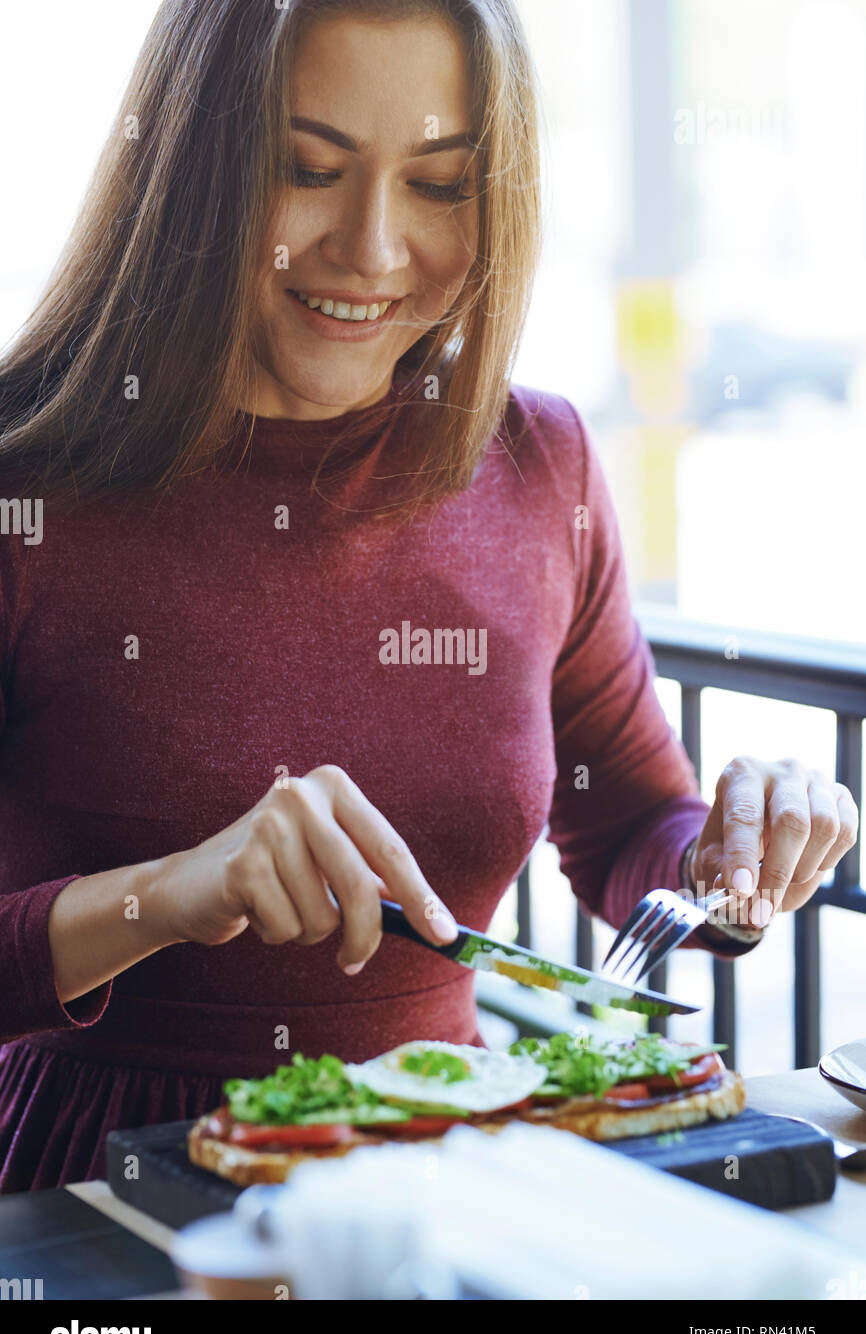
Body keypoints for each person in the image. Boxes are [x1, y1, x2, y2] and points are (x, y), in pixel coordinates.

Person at [0, 0, 857, 1191]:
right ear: (191, 165)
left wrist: (733, 855)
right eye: (306, 169)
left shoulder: (540, 463)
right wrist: (164, 896)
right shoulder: (24, 481)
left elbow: (627, 831)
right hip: (89, 1204)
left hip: (447, 1188)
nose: (372, 246)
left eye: (441, 183)